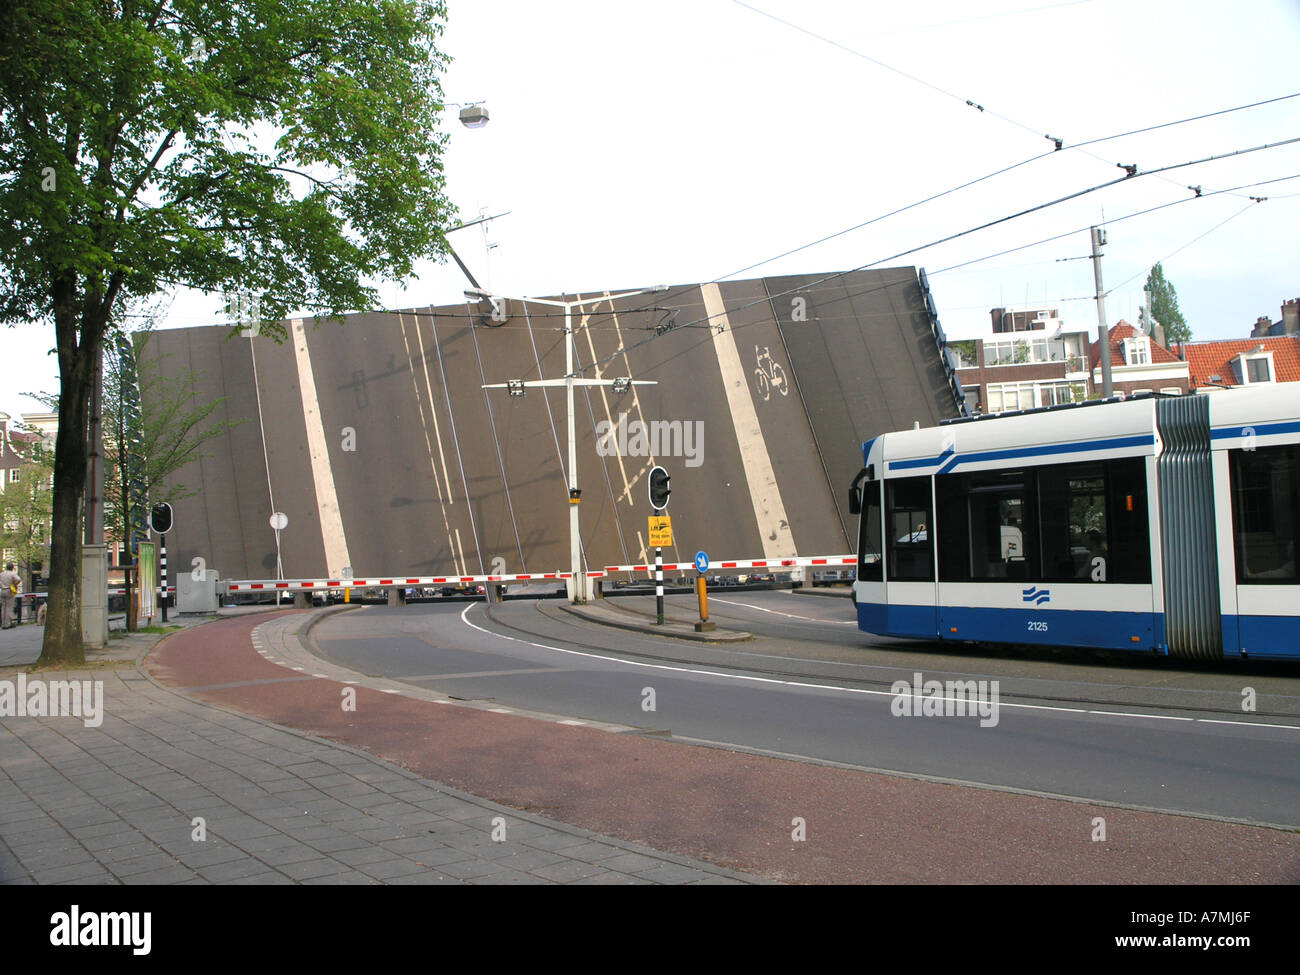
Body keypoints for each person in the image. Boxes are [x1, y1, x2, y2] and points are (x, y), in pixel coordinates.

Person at [0, 563, 20, 629]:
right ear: (12, 568)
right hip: (9, 590)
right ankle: (8, 624)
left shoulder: (2, 574)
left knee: (3, 608)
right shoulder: (12, 573)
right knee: (9, 607)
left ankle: (3, 624)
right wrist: (14, 584)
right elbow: (18, 579)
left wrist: (1, 585)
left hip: (2, 591)